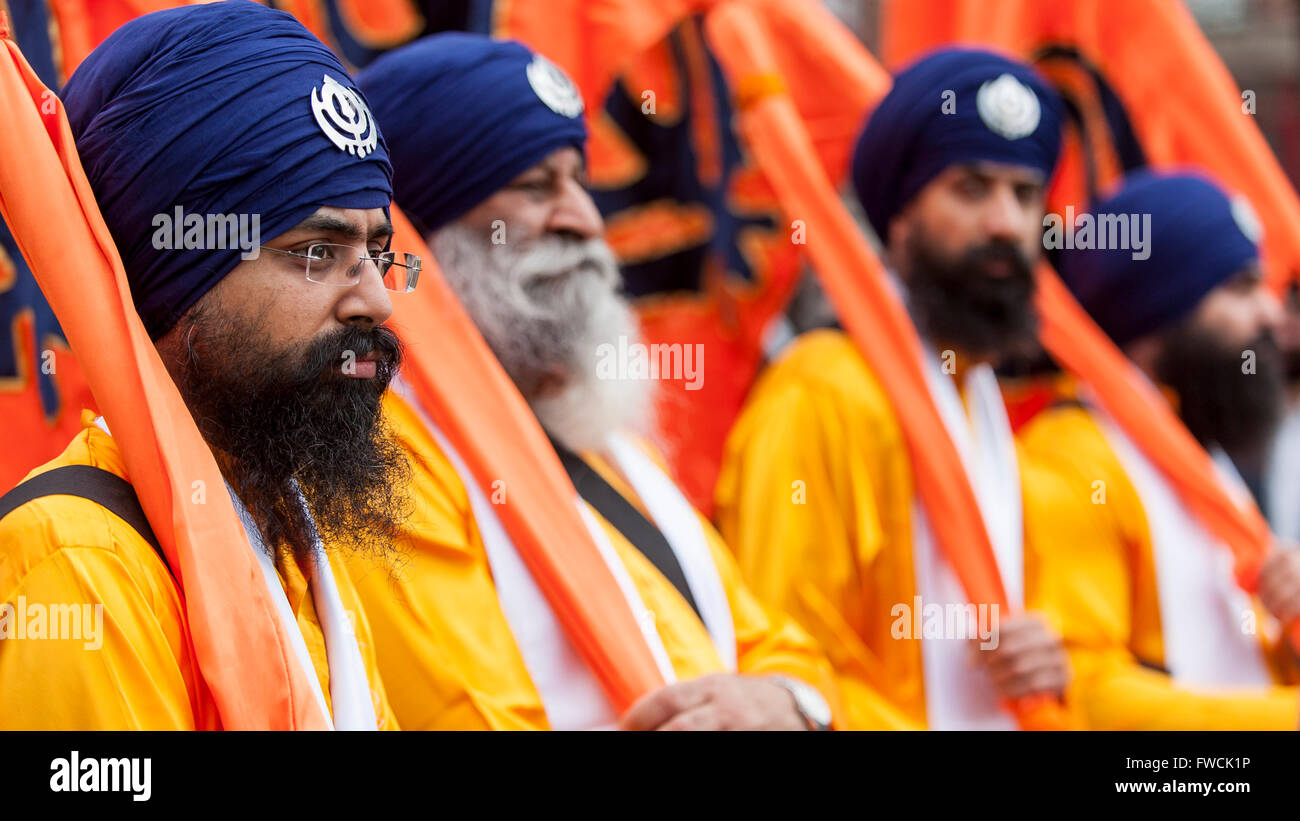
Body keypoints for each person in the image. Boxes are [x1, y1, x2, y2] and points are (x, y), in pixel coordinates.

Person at [346, 32, 839, 730]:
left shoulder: (612, 447)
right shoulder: (384, 447)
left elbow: (773, 645)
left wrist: (787, 703)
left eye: (579, 181)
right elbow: (465, 711)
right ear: (429, 231)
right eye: (534, 186)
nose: (583, 218)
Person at [0, 2, 415, 729]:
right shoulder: (76, 561)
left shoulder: (287, 538)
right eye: (318, 253)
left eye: (379, 255)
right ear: (177, 277)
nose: (377, 300)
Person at [713, 48, 1074, 729]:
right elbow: (781, 672)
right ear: (899, 218)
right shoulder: (821, 390)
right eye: (971, 188)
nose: (1005, 222)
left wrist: (1048, 662)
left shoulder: (980, 395)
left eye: (1025, 195)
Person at [1019, 169, 1300, 729]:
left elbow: (1242, 669)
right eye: (1240, 288)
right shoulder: (1069, 456)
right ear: (1158, 314)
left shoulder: (1194, 448)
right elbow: (1084, 692)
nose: (1272, 314)